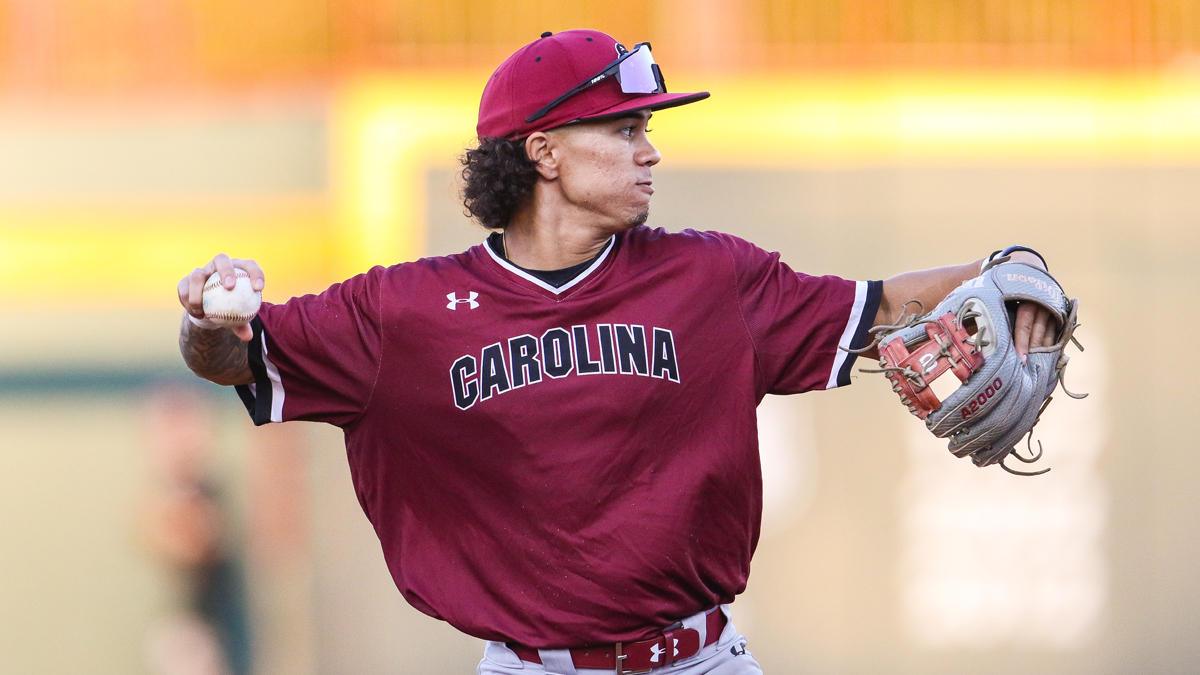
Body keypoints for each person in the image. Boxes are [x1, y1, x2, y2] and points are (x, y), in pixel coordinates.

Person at [177, 29, 1057, 675]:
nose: (650, 150)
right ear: (544, 151)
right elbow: (236, 360)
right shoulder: (402, 311)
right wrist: (207, 325)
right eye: (625, 130)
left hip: (702, 660)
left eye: (646, 129)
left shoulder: (711, 277)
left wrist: (1004, 268)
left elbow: (876, 307)